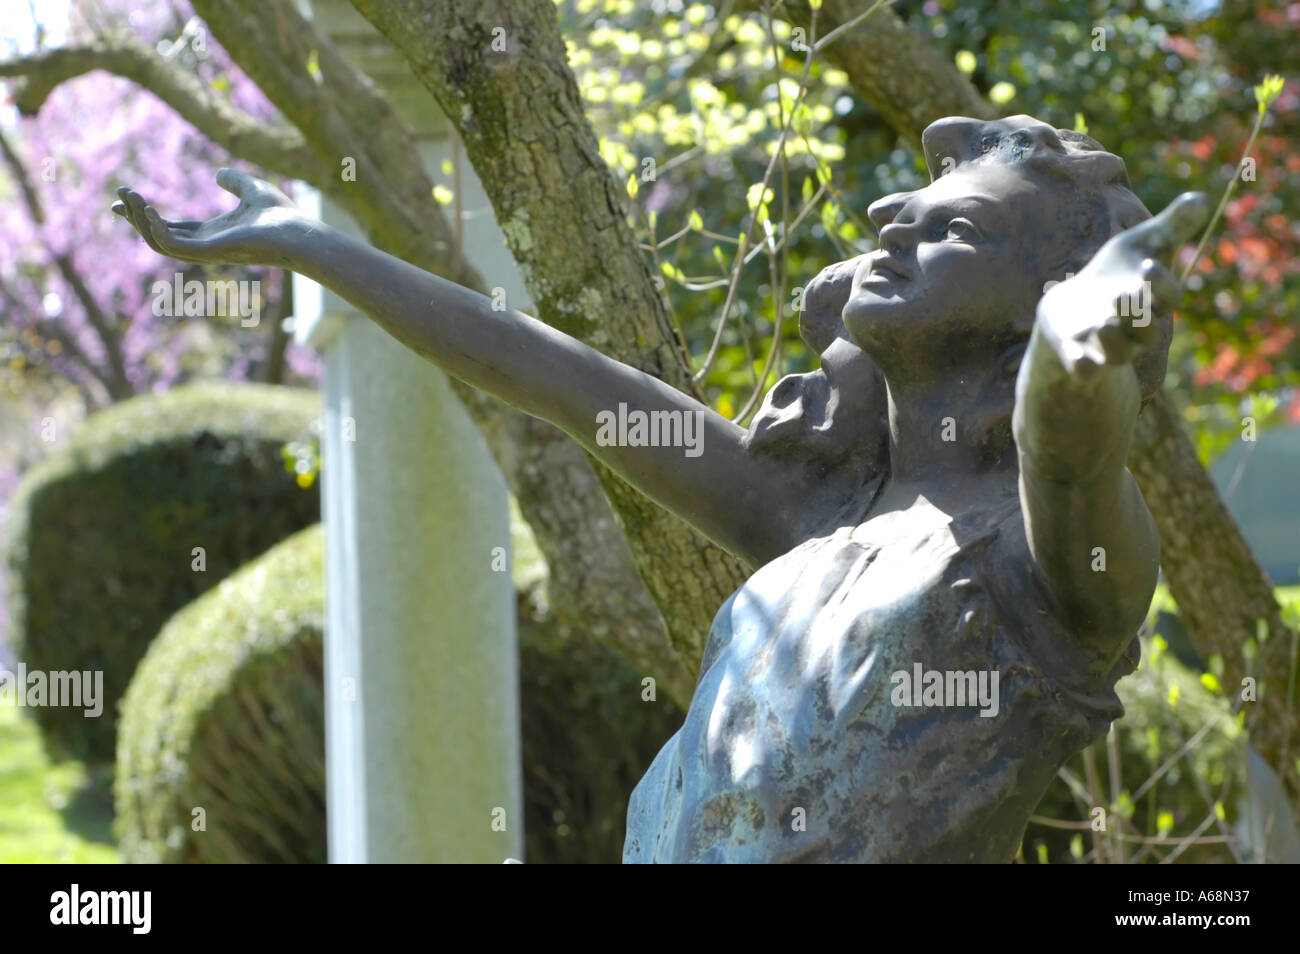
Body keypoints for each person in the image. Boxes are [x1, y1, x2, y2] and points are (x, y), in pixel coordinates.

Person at [114, 114, 1208, 863]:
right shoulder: (807, 516)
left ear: (1053, 298)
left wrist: (1084, 340)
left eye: (957, 227)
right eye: (904, 212)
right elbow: (543, 373)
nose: (895, 224)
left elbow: (1065, 445)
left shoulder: (1048, 554)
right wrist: (315, 246)